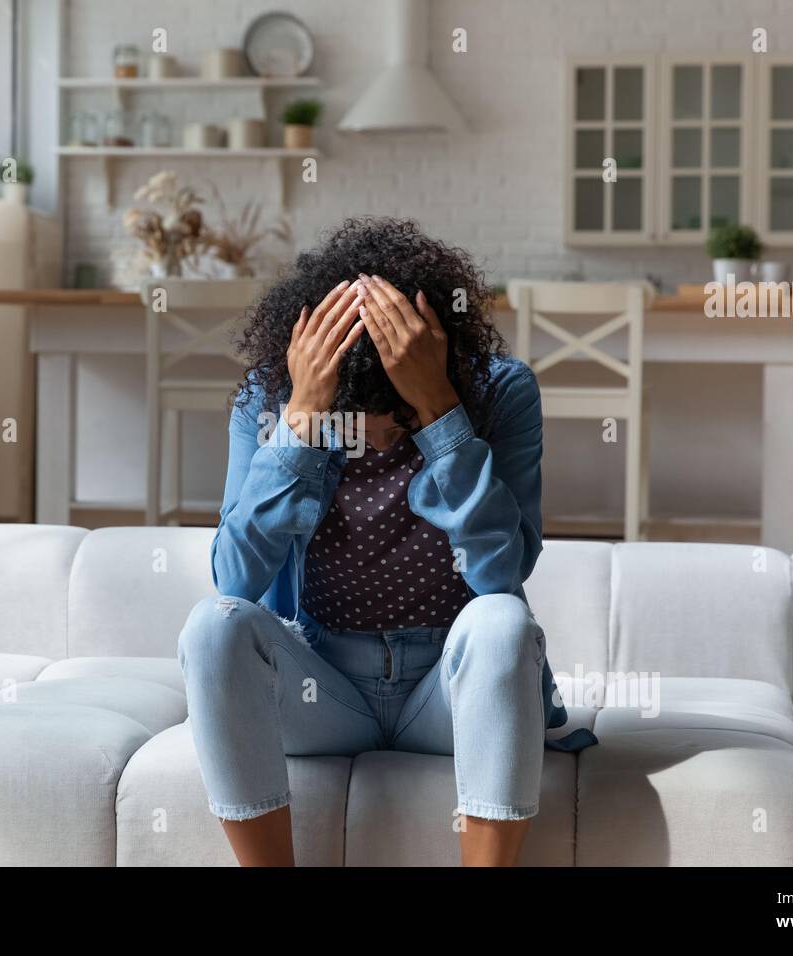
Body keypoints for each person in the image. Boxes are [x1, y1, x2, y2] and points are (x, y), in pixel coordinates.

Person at [176, 217, 597, 866]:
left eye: (394, 418)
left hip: (448, 695)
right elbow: (235, 578)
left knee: (503, 622)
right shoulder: (271, 399)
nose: (376, 441)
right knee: (213, 625)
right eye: (356, 422)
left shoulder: (500, 391)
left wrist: (438, 413)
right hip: (323, 690)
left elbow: (500, 573)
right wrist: (301, 421)